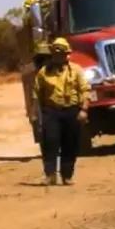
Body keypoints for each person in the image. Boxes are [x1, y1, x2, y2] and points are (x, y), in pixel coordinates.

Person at [33, 38, 90, 185]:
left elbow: (85, 90)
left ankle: (67, 176)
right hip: (51, 112)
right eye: (56, 54)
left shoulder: (76, 70)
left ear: (67, 54)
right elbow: (36, 95)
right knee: (50, 143)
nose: (59, 57)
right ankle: (50, 175)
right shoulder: (43, 73)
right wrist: (37, 115)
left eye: (62, 53)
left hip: (72, 111)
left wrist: (84, 110)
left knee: (70, 144)